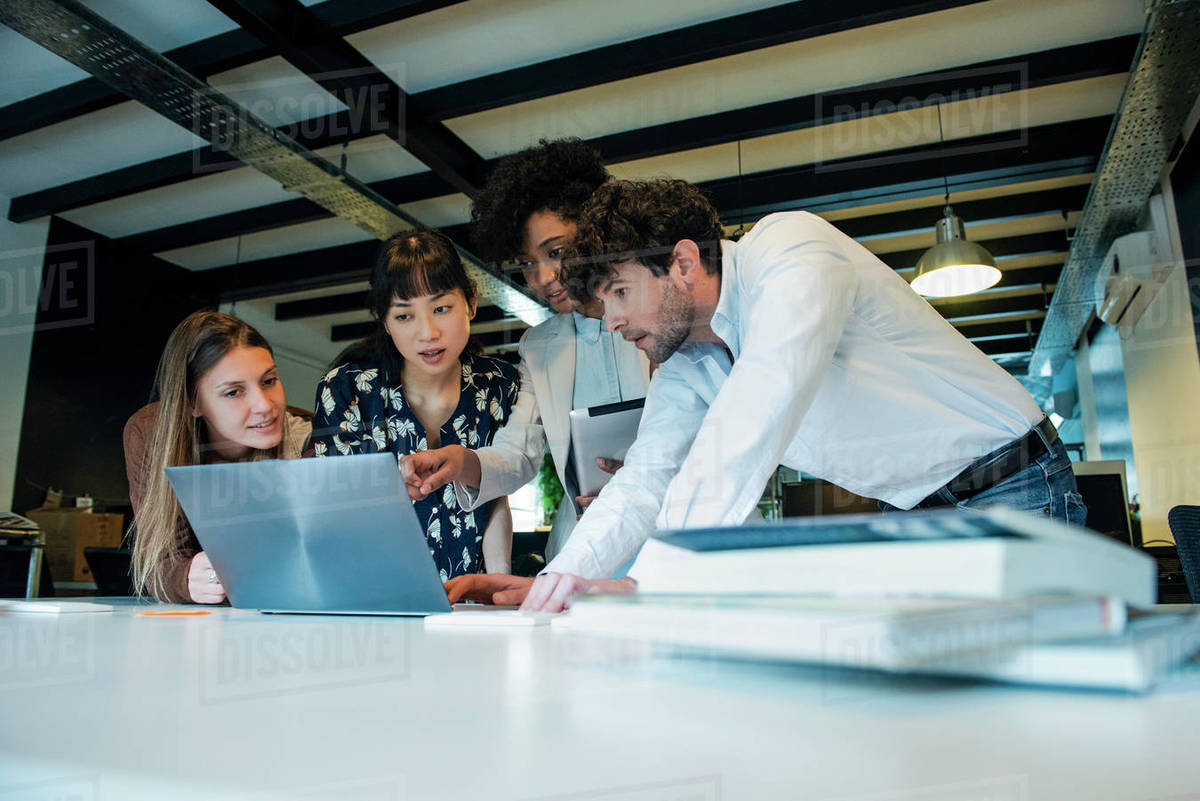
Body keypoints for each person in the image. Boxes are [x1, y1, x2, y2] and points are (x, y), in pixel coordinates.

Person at [511, 178, 1086, 611]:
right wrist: (554, 584)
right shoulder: (686, 360)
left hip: (1013, 485)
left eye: (618, 292)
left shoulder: (790, 249)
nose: (611, 322)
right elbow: (645, 478)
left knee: (1039, 709)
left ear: (683, 263)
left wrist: (657, 575)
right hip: (910, 516)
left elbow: (768, 389)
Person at [397, 139, 650, 593]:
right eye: (527, 263)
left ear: (594, 228)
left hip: (679, 545)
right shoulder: (539, 345)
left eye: (555, 252)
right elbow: (520, 452)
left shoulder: (657, 307)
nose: (542, 278)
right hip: (582, 559)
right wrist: (462, 462)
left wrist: (646, 473)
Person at [311, 230, 520, 581]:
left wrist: (498, 584)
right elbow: (337, 510)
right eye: (405, 316)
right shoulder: (347, 390)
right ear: (385, 321)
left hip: (469, 599)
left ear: (470, 301)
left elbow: (496, 496)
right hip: (376, 596)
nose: (428, 333)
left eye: (441, 308)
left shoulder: (500, 385)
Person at [125, 311, 312, 604]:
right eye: (234, 392)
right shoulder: (152, 433)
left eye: (269, 381)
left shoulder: (308, 436)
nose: (265, 406)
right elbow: (159, 561)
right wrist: (186, 578)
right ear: (192, 402)